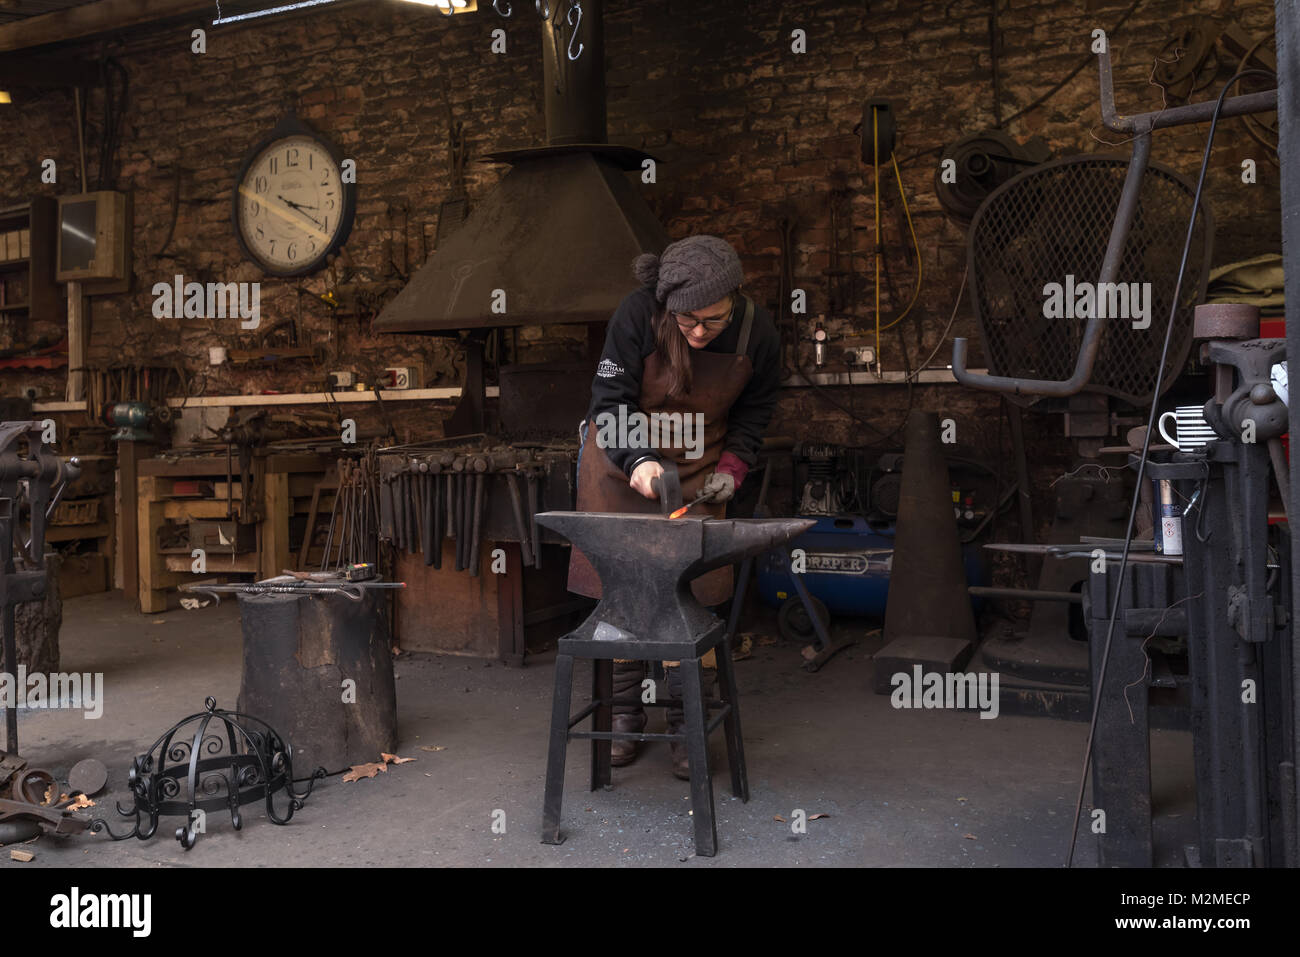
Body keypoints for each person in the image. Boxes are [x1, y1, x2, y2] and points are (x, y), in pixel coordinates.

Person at [566, 235, 781, 778]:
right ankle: (622, 716)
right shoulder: (638, 314)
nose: (700, 332)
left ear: (734, 297)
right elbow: (607, 402)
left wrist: (732, 470)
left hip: (697, 471)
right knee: (622, 595)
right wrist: (636, 459)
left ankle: (690, 720)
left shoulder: (759, 332)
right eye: (688, 323)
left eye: (712, 320)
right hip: (621, 469)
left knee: (692, 597)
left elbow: (755, 414)